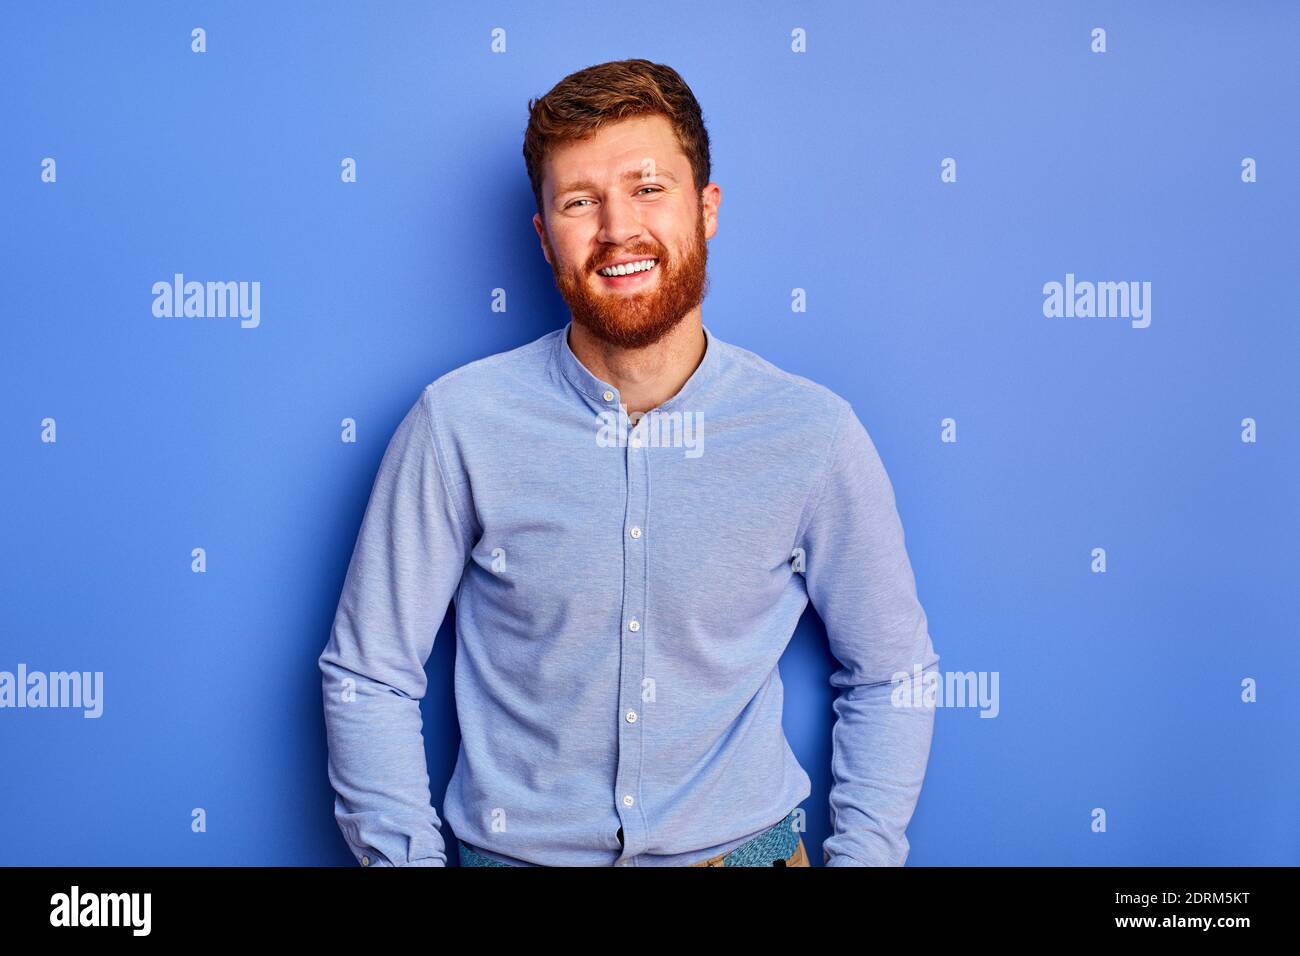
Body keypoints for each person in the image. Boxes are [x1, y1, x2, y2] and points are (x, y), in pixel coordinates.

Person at [317, 58, 939, 868]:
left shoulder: (812, 433)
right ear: (545, 237)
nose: (617, 229)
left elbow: (893, 672)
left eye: (648, 188)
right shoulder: (457, 424)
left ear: (706, 209)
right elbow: (369, 674)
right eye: (580, 201)